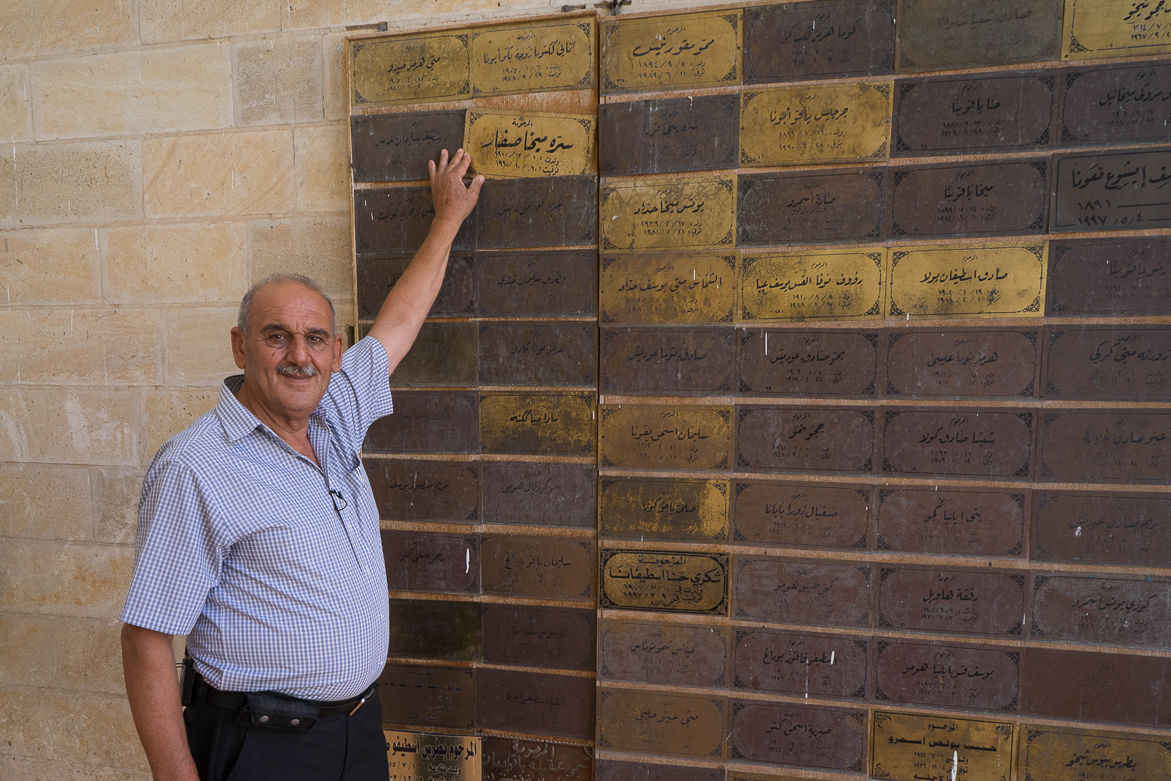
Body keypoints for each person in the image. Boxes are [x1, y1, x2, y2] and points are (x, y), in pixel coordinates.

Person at [120, 149, 483, 781]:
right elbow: (147, 637)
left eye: (316, 338)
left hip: (358, 734)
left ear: (336, 352)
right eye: (275, 336)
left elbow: (399, 322)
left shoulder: (335, 412)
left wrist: (447, 221)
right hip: (264, 748)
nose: (299, 356)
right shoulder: (197, 467)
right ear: (241, 345)